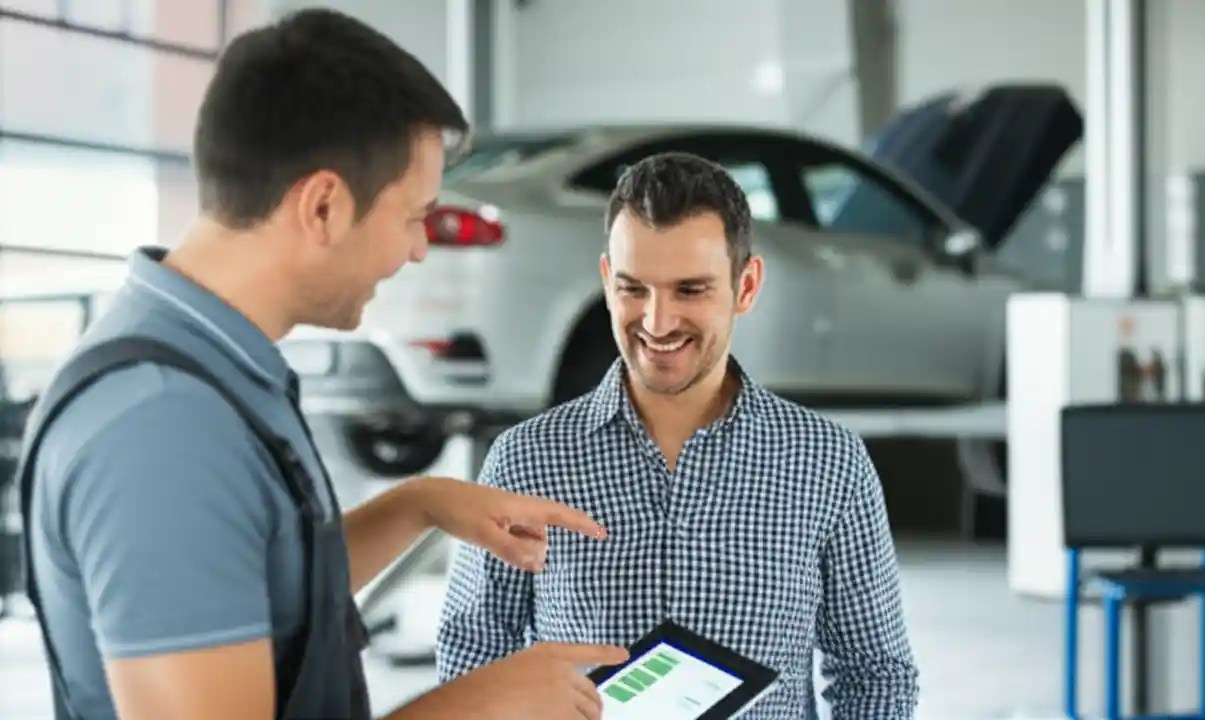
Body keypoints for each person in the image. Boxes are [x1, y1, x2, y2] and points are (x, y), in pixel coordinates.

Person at [18, 9, 625, 720]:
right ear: (326, 207)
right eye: (413, 217)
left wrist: (418, 505)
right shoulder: (162, 431)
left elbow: (267, 589)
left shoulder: (212, 366)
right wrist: (476, 706)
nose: (418, 251)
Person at [437, 152, 921, 718]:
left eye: (690, 290)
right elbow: (473, 656)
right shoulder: (527, 461)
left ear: (746, 286)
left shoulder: (828, 464)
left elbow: (877, 677)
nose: (657, 322)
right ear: (605, 280)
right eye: (633, 288)